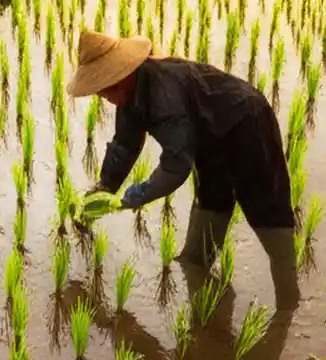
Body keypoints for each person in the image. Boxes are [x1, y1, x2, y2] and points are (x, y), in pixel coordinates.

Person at [67, 29, 299, 308]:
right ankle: (205, 294)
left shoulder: (164, 92)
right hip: (209, 140)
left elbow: (177, 166)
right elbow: (124, 146)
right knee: (209, 209)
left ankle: (288, 300)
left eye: (105, 90)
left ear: (121, 76)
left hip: (247, 125)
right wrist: (102, 190)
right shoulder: (129, 96)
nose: (104, 97)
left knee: (267, 212)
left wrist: (137, 196)